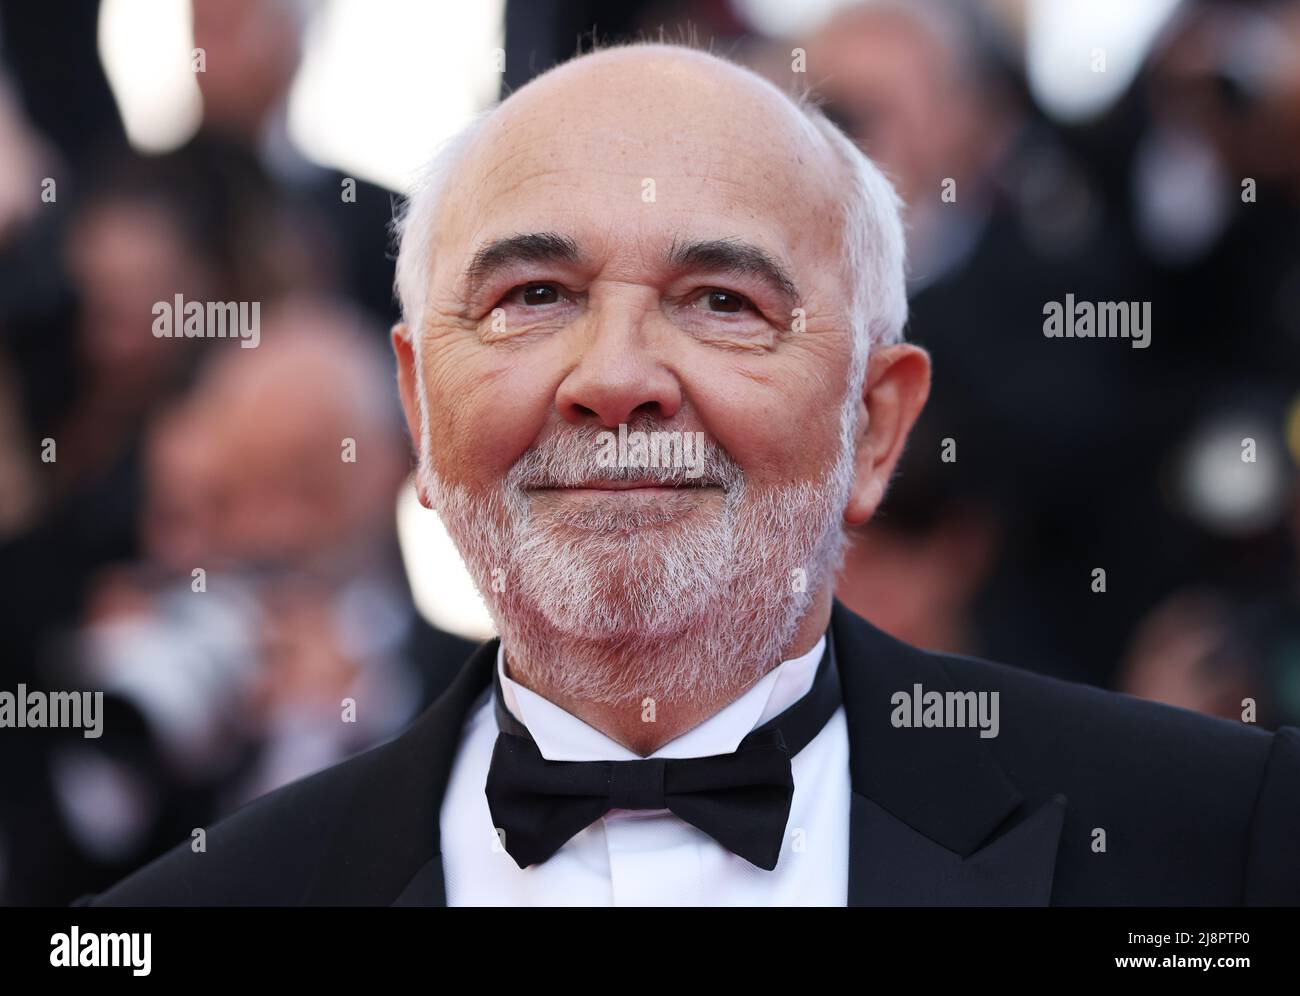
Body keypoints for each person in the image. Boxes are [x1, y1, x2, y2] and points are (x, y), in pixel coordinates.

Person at [82, 43, 1300, 907]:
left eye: (721, 302)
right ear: (417, 413)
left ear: (874, 428)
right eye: (532, 298)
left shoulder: (1213, 841)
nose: (615, 378)